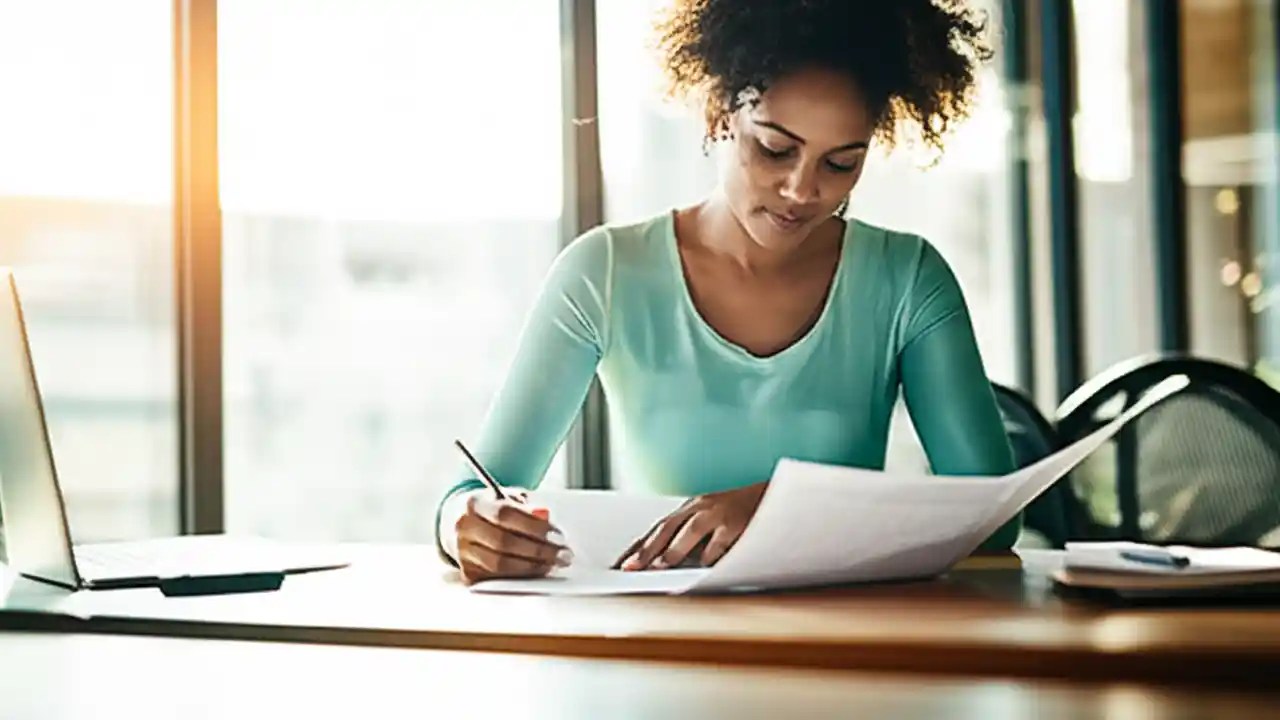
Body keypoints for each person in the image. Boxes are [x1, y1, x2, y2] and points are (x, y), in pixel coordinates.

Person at [438, 0, 1019, 584]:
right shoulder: (605, 272)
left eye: (841, 163)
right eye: (774, 149)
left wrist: (779, 511)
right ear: (719, 114)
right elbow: (474, 488)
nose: (802, 189)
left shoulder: (908, 279)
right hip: (663, 636)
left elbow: (993, 518)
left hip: (849, 639)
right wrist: (468, 522)